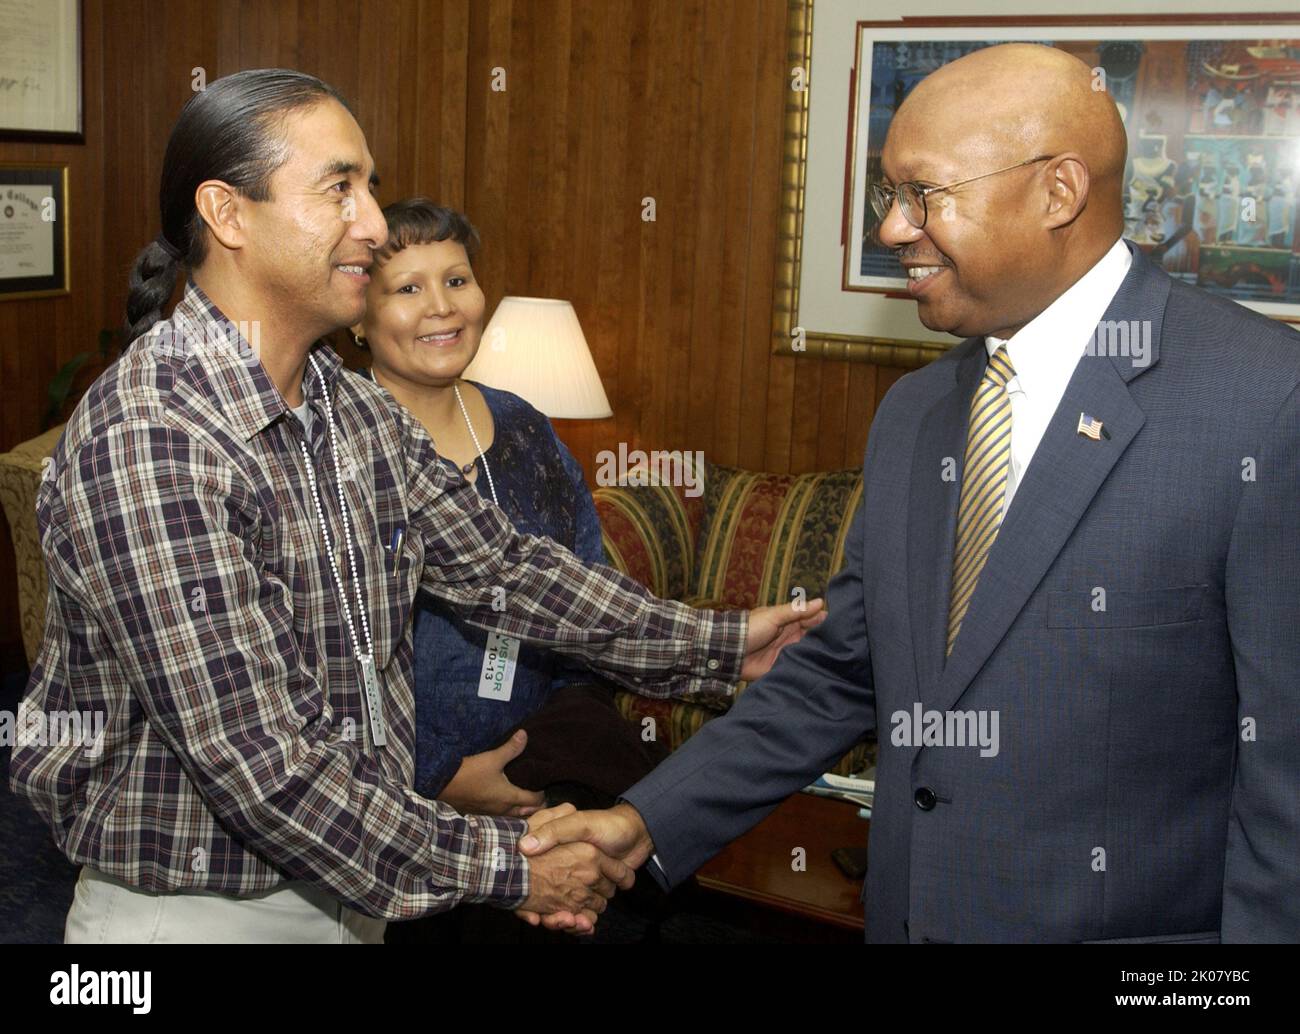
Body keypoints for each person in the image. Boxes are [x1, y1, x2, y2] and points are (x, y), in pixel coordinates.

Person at [8, 68, 821, 944]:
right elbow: (263, 769)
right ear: (228, 214)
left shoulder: (349, 407)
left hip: (362, 889)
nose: (372, 223)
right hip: (200, 916)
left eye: (372, 187)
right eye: (339, 189)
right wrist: (514, 867)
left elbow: (507, 574)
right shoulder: (154, 434)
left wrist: (723, 646)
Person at [522, 43, 1300, 944]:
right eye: (889, 197)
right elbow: (845, 669)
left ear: (1059, 192)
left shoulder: (1264, 405)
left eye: (922, 195)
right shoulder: (919, 412)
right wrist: (644, 822)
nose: (892, 230)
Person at [348, 198, 684, 941]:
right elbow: (323, 670)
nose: (441, 307)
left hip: (546, 795)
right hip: (398, 822)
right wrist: (446, 778)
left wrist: (545, 773)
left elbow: (586, 598)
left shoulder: (526, 429)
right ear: (356, 314)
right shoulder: (336, 454)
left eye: (457, 280)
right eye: (407, 288)